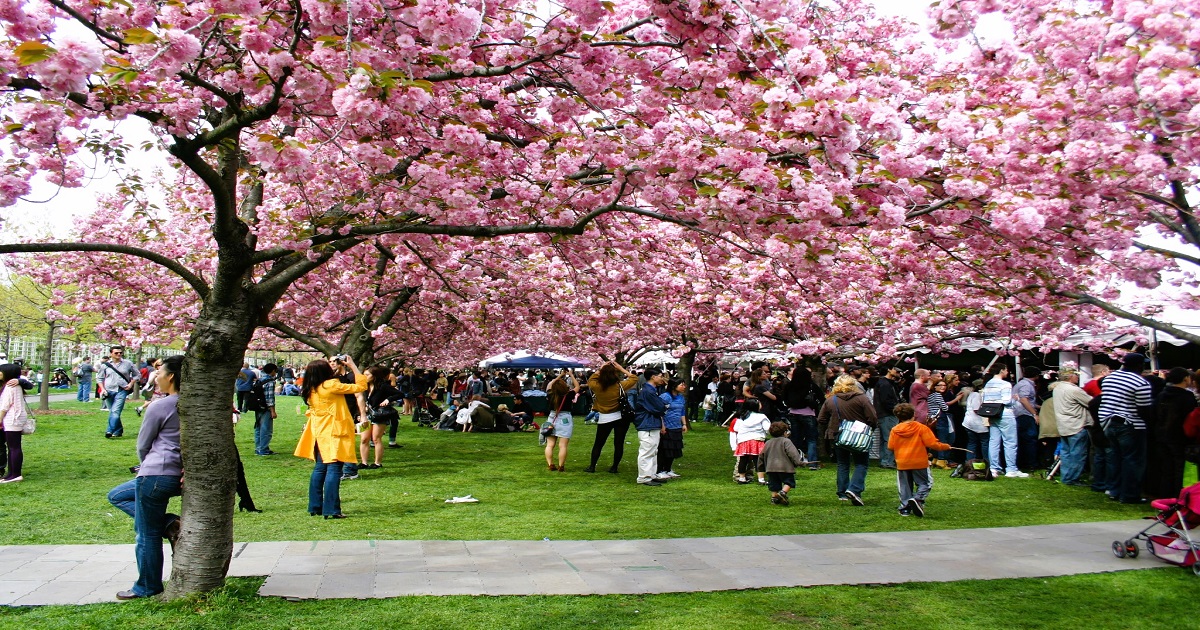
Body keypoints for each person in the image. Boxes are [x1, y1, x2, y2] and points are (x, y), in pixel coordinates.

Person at [106, 355, 184, 599]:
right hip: (176, 474)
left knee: (146, 533)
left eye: (159, 374)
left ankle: (147, 587)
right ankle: (168, 523)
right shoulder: (197, 403)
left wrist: (145, 465)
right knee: (117, 495)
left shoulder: (161, 405)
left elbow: (143, 444)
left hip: (155, 473)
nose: (156, 378)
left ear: (171, 376)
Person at [293, 356, 367, 518]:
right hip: (335, 432)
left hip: (319, 432)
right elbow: (361, 385)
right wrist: (353, 366)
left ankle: (315, 506)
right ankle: (332, 509)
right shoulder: (331, 385)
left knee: (320, 468)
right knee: (334, 469)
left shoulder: (310, 388)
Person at [1097, 353, 1154, 504]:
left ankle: (1114, 490)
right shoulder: (1141, 383)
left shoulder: (1109, 378)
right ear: (1139, 365)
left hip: (1108, 421)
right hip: (1130, 424)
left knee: (1115, 458)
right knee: (1133, 460)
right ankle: (1130, 494)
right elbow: (1144, 409)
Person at [818, 374, 878, 505]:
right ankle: (854, 489)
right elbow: (872, 417)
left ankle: (842, 492)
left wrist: (833, 424)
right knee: (861, 463)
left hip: (838, 435)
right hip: (860, 436)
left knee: (843, 464)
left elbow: (821, 419)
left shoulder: (831, 400)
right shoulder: (862, 399)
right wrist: (869, 428)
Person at [887, 402, 951, 517]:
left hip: (902, 462)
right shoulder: (921, 428)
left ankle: (905, 508)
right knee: (925, 483)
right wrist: (946, 446)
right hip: (919, 461)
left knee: (905, 486)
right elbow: (932, 443)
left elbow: (891, 446)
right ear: (913, 414)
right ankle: (918, 499)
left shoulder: (895, 430)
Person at [1145, 367, 1195, 499]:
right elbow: (1189, 418)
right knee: (1179, 468)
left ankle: (1165, 495)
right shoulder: (1187, 397)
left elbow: (1153, 415)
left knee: (1166, 468)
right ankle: (1177, 496)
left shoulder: (1162, 394)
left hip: (1161, 436)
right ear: (1186, 378)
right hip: (1179, 437)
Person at [584, 360, 639, 473]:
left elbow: (591, 380)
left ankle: (592, 466)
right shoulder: (620, 386)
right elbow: (634, 378)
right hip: (621, 417)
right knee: (619, 443)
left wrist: (601, 368)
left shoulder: (597, 386)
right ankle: (614, 467)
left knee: (599, 443)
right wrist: (621, 368)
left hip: (605, 417)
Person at [983, 364, 1027, 478]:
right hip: (1005, 414)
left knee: (994, 442)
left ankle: (994, 468)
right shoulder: (1005, 384)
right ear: (1002, 370)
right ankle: (1011, 469)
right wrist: (1014, 399)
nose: (1007, 372)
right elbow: (1006, 401)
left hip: (992, 414)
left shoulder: (988, 384)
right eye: (1006, 370)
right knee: (1010, 442)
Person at [1050, 368, 1093, 486]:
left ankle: (1066, 477)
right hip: (1076, 424)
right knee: (1078, 453)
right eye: (1075, 375)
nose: (1077, 377)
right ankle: (1073, 478)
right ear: (1070, 376)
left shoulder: (1057, 388)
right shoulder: (1074, 390)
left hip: (1063, 424)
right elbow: (1091, 403)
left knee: (1066, 453)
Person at [361, 365, 401, 469]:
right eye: (364, 374)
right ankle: (364, 462)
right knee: (364, 439)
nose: (365, 376)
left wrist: (388, 400)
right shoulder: (364, 386)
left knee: (376, 438)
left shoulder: (382, 386)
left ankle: (377, 463)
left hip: (379, 415)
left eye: (367, 375)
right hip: (367, 415)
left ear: (374, 376)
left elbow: (399, 394)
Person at [634, 367, 669, 486]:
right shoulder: (648, 391)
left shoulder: (652, 390)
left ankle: (651, 474)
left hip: (651, 423)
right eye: (660, 376)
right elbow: (659, 407)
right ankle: (644, 477)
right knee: (647, 451)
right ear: (653, 377)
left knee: (653, 450)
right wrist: (664, 406)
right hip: (647, 424)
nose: (662, 378)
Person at [783, 365, 822, 471]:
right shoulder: (810, 386)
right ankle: (812, 463)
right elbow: (821, 397)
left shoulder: (789, 385)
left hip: (793, 413)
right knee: (811, 439)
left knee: (795, 438)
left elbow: (784, 398)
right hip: (808, 413)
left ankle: (794, 460)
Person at [758, 421, 805, 505]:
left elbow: (762, 455)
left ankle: (774, 498)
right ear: (784, 432)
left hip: (771, 468)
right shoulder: (786, 441)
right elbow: (793, 453)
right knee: (789, 481)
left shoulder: (768, 442)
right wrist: (799, 462)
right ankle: (783, 493)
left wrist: (761, 467)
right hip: (785, 467)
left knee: (774, 484)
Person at [0, 363, 32, 483]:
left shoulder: (11, 385)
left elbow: (5, 405)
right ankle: (11, 473)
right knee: (12, 447)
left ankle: (15, 474)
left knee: (14, 447)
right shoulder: (12, 385)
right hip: (13, 418)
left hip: (13, 418)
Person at [98, 346, 139, 439]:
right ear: (111, 354)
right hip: (108, 391)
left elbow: (137, 375)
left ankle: (110, 430)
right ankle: (118, 430)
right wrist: (103, 389)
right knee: (112, 411)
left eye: (120, 353)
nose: (119, 354)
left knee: (116, 411)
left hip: (122, 390)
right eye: (116, 353)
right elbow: (99, 378)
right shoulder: (105, 365)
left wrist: (131, 383)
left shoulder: (128, 363)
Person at [730, 399, 770, 485]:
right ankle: (761, 479)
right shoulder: (761, 417)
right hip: (757, 441)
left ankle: (742, 478)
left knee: (743, 460)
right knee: (758, 461)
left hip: (743, 441)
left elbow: (736, 429)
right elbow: (767, 428)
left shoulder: (741, 417)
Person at [544, 371, 577, 471]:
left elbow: (550, 384)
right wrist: (571, 375)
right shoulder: (569, 394)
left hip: (552, 418)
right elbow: (577, 386)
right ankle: (561, 465)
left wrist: (561, 375)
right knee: (563, 445)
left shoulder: (550, 394)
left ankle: (550, 464)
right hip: (565, 419)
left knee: (550, 445)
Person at [657, 379, 689, 479]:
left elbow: (682, 411)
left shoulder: (681, 398)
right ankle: (659, 470)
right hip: (667, 427)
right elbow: (660, 412)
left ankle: (668, 469)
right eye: (681, 385)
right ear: (674, 386)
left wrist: (684, 424)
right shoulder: (665, 397)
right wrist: (662, 425)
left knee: (674, 449)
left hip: (677, 427)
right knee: (664, 449)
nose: (684, 387)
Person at [1013, 366, 1042, 473]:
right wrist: (1034, 413)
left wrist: (1039, 407)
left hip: (1020, 414)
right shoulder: (1026, 385)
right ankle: (1031, 463)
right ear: (1036, 376)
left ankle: (1023, 462)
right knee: (1030, 439)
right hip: (1024, 414)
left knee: (1022, 440)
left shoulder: (1020, 384)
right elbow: (1024, 400)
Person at [927, 380, 960, 469]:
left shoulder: (930, 395)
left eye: (944, 385)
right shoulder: (938, 395)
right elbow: (945, 408)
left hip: (933, 419)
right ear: (935, 386)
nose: (943, 387)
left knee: (937, 439)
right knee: (944, 439)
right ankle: (942, 460)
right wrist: (954, 400)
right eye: (940, 385)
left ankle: (935, 458)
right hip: (941, 418)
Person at [874, 367, 902, 469]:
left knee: (885, 438)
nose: (899, 373)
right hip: (887, 414)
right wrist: (897, 410)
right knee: (889, 438)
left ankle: (884, 460)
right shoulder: (885, 384)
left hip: (884, 414)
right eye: (897, 371)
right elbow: (885, 401)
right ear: (889, 370)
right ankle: (887, 461)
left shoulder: (887, 383)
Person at [961, 379, 991, 467]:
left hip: (969, 422)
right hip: (977, 423)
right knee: (984, 443)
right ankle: (987, 462)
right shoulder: (977, 395)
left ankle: (969, 463)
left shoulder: (972, 394)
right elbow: (976, 409)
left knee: (972, 443)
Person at [253, 363, 280, 456]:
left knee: (258, 427)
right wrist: (272, 410)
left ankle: (258, 448)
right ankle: (263, 449)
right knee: (266, 429)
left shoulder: (260, 380)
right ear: (273, 370)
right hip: (266, 408)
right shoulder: (270, 381)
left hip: (258, 406)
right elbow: (269, 397)